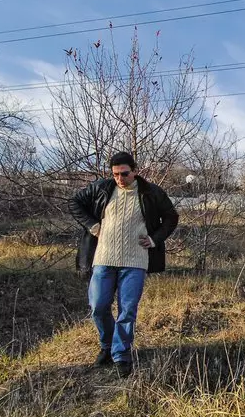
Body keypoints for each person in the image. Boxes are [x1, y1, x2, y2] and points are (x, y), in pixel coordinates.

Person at [69, 152, 179, 377]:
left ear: (135, 170)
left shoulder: (151, 192)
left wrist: (155, 239)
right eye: (116, 174)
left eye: (125, 173)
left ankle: (121, 354)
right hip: (103, 259)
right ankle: (107, 346)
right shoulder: (102, 188)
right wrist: (92, 225)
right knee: (98, 306)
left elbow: (171, 217)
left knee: (127, 310)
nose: (120, 178)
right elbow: (75, 203)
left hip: (135, 260)